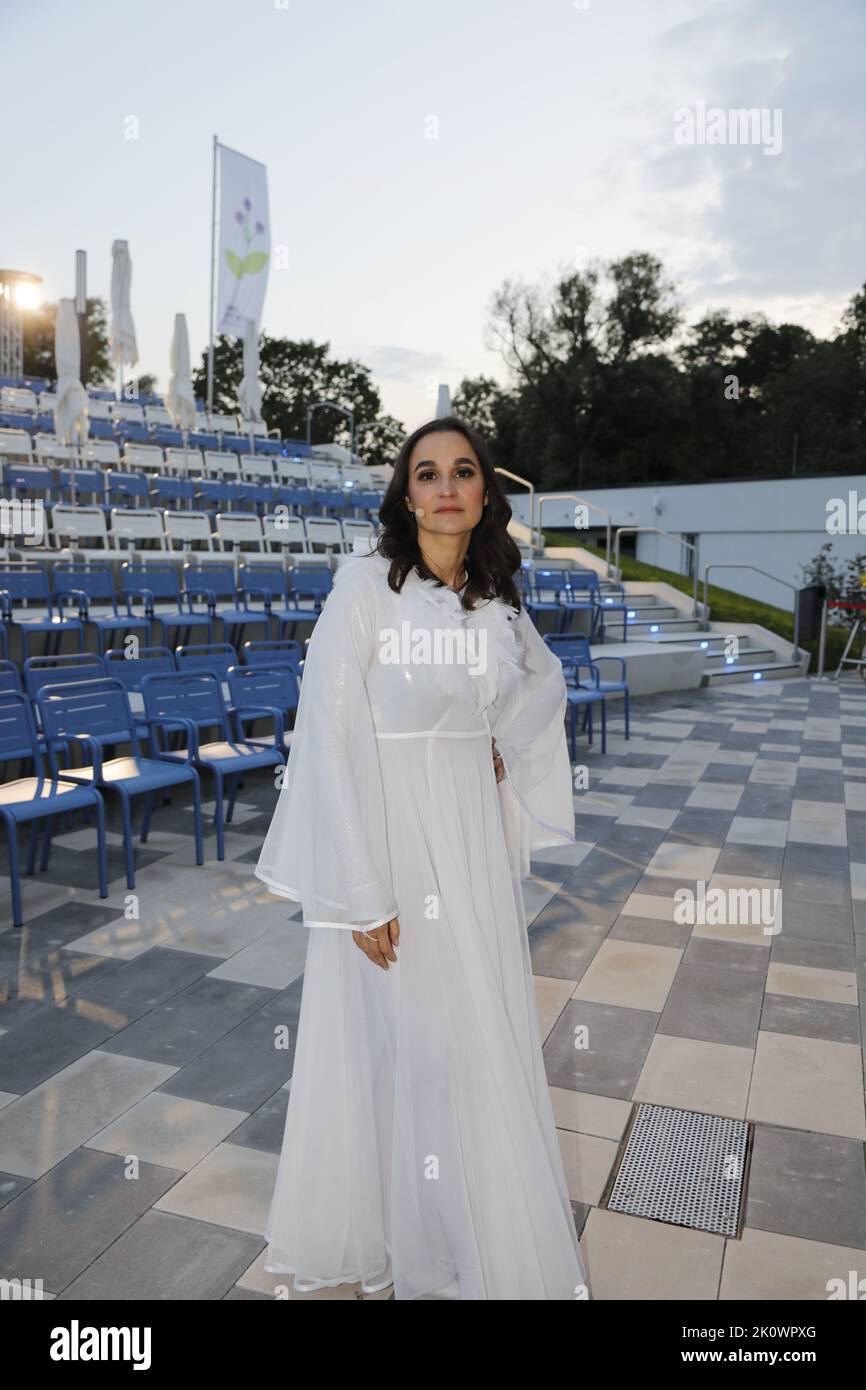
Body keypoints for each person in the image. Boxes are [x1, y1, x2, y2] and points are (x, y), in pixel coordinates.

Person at [255, 416, 590, 1301]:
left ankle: (463, 1252)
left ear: (486, 495)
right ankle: (422, 1252)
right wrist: (357, 891)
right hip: (389, 846)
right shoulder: (364, 587)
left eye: (465, 472)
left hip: (468, 844)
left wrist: (487, 745)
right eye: (427, 473)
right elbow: (324, 734)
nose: (446, 487)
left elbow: (537, 691)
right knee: (415, 1051)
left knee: (471, 1047)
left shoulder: (494, 601)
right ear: (406, 495)